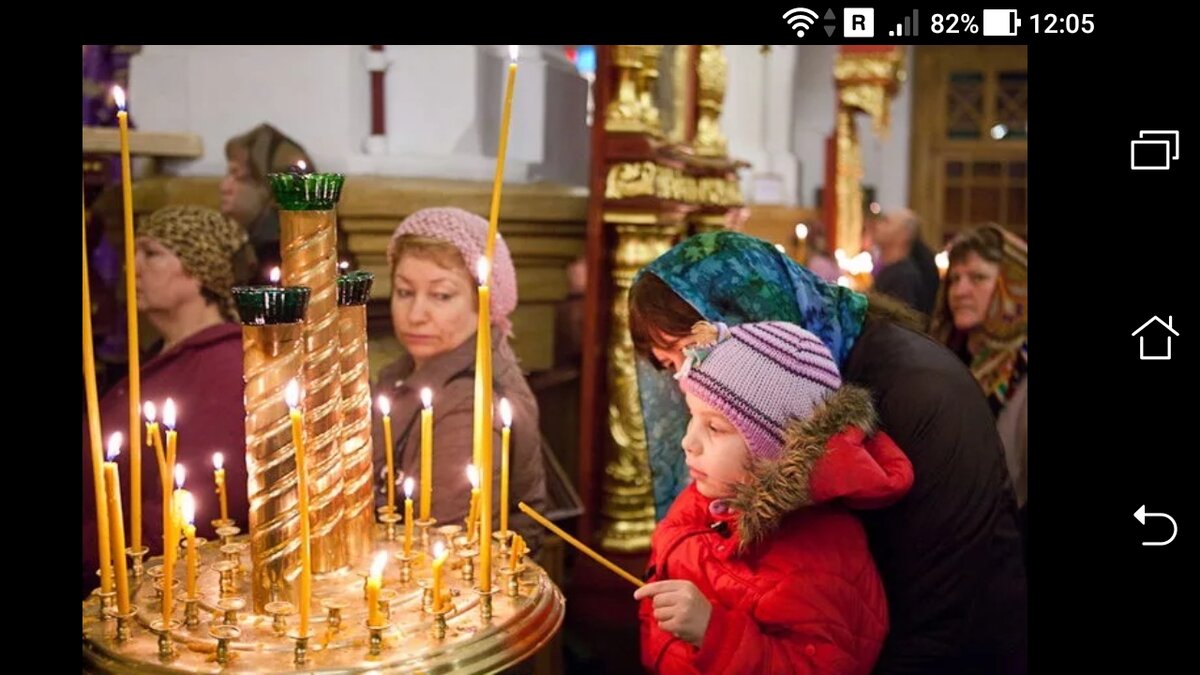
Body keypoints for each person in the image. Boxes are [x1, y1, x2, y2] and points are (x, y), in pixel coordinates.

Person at [628, 231, 1027, 673]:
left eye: (690, 349)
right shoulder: (776, 422)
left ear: (746, 313)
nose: (685, 377)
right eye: (669, 365)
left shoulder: (920, 393)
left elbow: (935, 607)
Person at [636, 320, 913, 674]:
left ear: (775, 449)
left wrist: (713, 632)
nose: (688, 442)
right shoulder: (703, 500)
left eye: (715, 427)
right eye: (692, 417)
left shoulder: (819, 556)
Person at [82, 205, 253, 598]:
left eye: (152, 253)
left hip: (147, 587)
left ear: (198, 270)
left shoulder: (225, 367)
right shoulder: (166, 354)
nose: (133, 268)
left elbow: (199, 503)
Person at [372, 207, 548, 549]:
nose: (416, 314)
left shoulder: (471, 404)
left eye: (441, 295)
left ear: (484, 303)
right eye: (405, 292)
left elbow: (440, 545)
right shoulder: (405, 370)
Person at [929, 223, 1028, 558]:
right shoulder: (944, 358)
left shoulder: (1022, 373)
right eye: (954, 279)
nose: (960, 291)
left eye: (978, 278)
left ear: (1014, 286)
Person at [871, 208, 940, 316]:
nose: (877, 226)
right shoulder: (891, 270)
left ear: (904, 234)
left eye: (886, 222)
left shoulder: (903, 277)